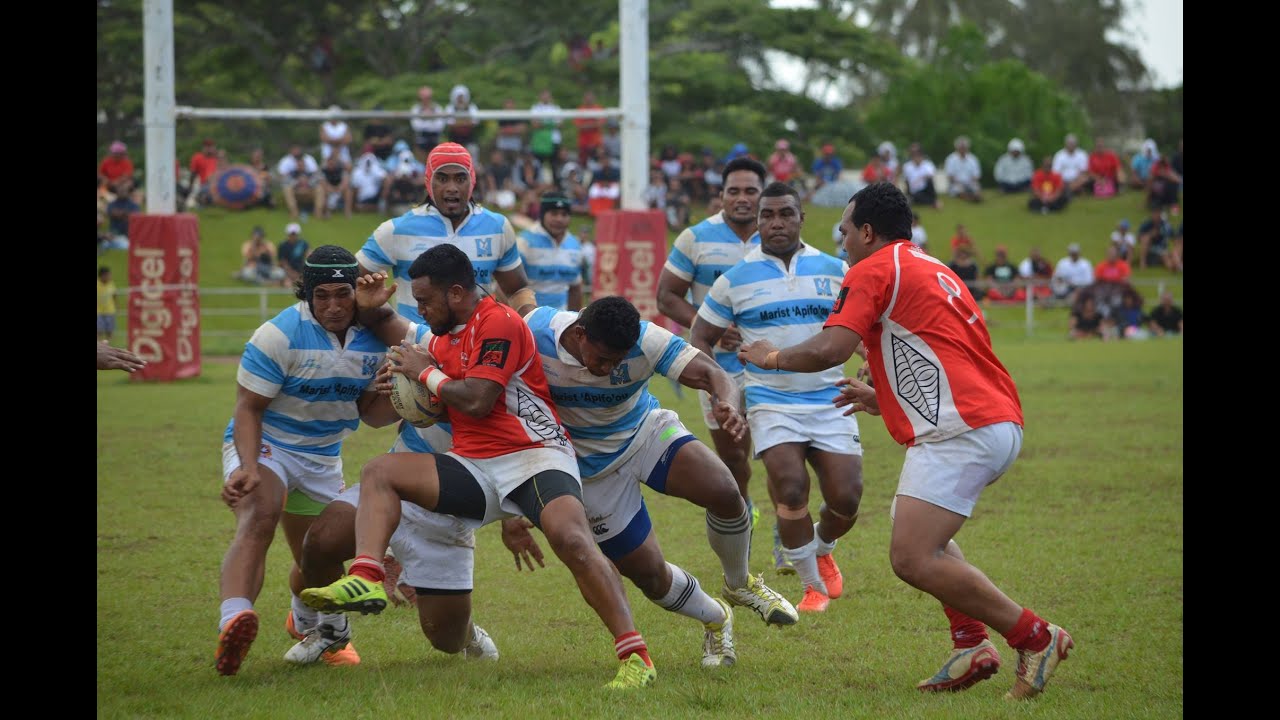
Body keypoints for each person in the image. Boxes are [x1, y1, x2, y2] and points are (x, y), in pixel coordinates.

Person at [738, 181, 1073, 700]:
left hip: (963, 429)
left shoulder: (872, 268)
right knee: (920, 534)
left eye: (845, 231)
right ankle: (970, 645)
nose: (842, 241)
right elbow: (941, 346)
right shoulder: (930, 265)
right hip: (986, 419)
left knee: (912, 557)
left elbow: (832, 348)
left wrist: (772, 358)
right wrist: (883, 399)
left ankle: (1035, 636)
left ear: (867, 232)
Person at [302, 245, 658, 689]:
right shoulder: (443, 336)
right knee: (379, 471)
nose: (422, 309)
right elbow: (398, 329)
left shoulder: (499, 321)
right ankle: (367, 576)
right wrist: (375, 312)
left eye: (426, 300)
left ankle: (635, 655)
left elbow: (476, 398)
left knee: (572, 540)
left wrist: (426, 373)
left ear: (455, 293)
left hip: (535, 455)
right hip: (474, 466)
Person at [504, 296, 797, 668]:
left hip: (643, 432)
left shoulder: (647, 339)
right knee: (651, 577)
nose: (610, 368)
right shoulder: (532, 334)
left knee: (723, 489)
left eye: (617, 361)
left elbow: (713, 374)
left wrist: (726, 401)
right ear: (579, 334)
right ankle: (716, 617)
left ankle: (738, 583)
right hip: (587, 470)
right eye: (602, 359)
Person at [215, 246, 401, 676]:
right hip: (268, 446)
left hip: (322, 457)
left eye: (342, 294)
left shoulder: (376, 336)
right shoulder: (278, 335)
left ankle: (305, 621)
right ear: (306, 294)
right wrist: (245, 465)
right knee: (259, 515)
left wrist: (401, 395)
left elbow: (371, 417)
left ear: (357, 291)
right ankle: (234, 621)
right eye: (322, 295)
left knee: (319, 555)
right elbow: (248, 409)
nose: (333, 306)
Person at [692, 182, 864, 613]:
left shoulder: (836, 271)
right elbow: (700, 338)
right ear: (758, 222)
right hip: (770, 399)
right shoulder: (734, 280)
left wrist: (872, 361)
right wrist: (722, 392)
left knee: (847, 498)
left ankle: (821, 548)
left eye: (785, 214)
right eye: (767, 215)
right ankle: (810, 588)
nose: (776, 223)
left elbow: (861, 329)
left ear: (802, 217)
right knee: (790, 488)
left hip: (831, 397)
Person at [657, 157, 784, 571]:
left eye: (751, 191)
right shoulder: (696, 237)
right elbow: (666, 296)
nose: (743, 199)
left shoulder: (780, 238)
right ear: (721, 195)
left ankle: (788, 530)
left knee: (783, 453)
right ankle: (742, 515)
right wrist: (708, 325)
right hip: (714, 365)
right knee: (734, 458)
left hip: (775, 367)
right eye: (735, 191)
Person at [355, 142, 536, 321]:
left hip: (476, 348)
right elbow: (349, 283)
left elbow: (517, 290)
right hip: (416, 347)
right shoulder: (396, 230)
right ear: (428, 181)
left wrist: (535, 326)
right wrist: (383, 320)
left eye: (460, 178)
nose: (451, 187)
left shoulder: (497, 227)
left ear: (471, 181)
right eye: (442, 179)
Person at [517, 194, 584, 311]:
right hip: (528, 321)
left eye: (564, 214)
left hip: (561, 322)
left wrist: (574, 319)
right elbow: (508, 289)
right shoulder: (524, 243)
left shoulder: (575, 245)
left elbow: (575, 288)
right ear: (542, 215)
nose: (559, 219)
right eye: (553, 213)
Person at [277, 223, 310, 287]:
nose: (293, 236)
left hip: (300, 270)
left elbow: (308, 256)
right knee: (287, 284)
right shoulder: (283, 246)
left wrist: (302, 273)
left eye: (294, 234)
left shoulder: (303, 244)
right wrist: (291, 274)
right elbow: (282, 262)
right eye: (291, 234)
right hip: (287, 272)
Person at [98, 266, 117, 343]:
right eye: (107, 275)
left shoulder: (111, 284)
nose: (109, 276)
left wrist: (116, 305)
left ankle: (108, 345)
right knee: (98, 330)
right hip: (98, 312)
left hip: (110, 311)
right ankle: (99, 346)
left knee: (110, 331)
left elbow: (114, 295)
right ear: (102, 275)